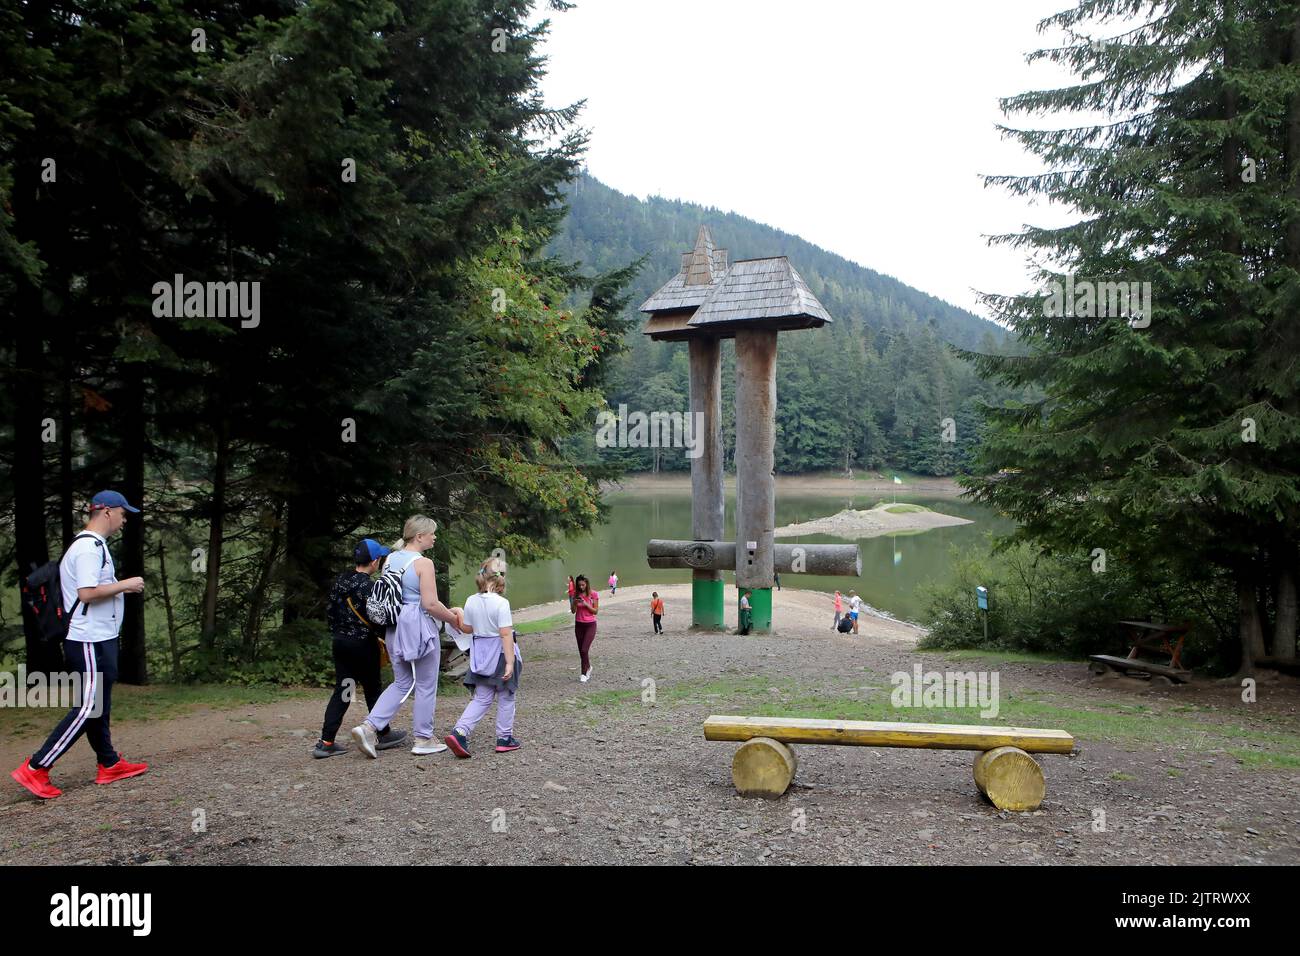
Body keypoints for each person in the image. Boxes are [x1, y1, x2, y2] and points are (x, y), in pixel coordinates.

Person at [11, 491, 149, 800]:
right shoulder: (88, 547)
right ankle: (36, 767)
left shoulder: (93, 545)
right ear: (107, 512)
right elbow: (86, 593)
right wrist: (127, 585)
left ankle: (109, 763)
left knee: (99, 704)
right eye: (123, 513)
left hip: (99, 638)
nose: (125, 519)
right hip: (88, 640)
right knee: (89, 706)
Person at [351, 515, 464, 758]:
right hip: (418, 625)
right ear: (419, 536)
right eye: (432, 533)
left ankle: (369, 727)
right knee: (425, 683)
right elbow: (431, 604)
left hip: (394, 625)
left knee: (402, 681)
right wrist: (454, 619)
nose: (435, 537)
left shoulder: (391, 559)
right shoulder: (423, 564)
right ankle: (423, 738)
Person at [313, 539, 408, 758]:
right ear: (374, 562)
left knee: (344, 690)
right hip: (363, 646)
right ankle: (382, 734)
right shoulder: (370, 586)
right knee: (373, 688)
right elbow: (378, 618)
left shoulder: (341, 580)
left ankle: (326, 742)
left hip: (341, 643)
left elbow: (330, 611)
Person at [445, 556, 521, 757]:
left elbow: (467, 628)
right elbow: (505, 634)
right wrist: (510, 662)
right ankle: (504, 738)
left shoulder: (471, 600)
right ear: (500, 580)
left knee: (481, 698)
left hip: (480, 655)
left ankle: (460, 732)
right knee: (506, 696)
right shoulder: (501, 603)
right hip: (499, 654)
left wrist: (459, 615)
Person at [570, 574, 598, 682]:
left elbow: (595, 611)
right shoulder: (575, 594)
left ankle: (584, 672)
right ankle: (588, 667)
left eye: (583, 585)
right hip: (579, 625)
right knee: (581, 651)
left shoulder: (593, 594)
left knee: (584, 649)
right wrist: (575, 603)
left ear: (586, 584)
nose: (581, 587)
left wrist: (586, 604)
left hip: (590, 625)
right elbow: (573, 611)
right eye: (579, 585)